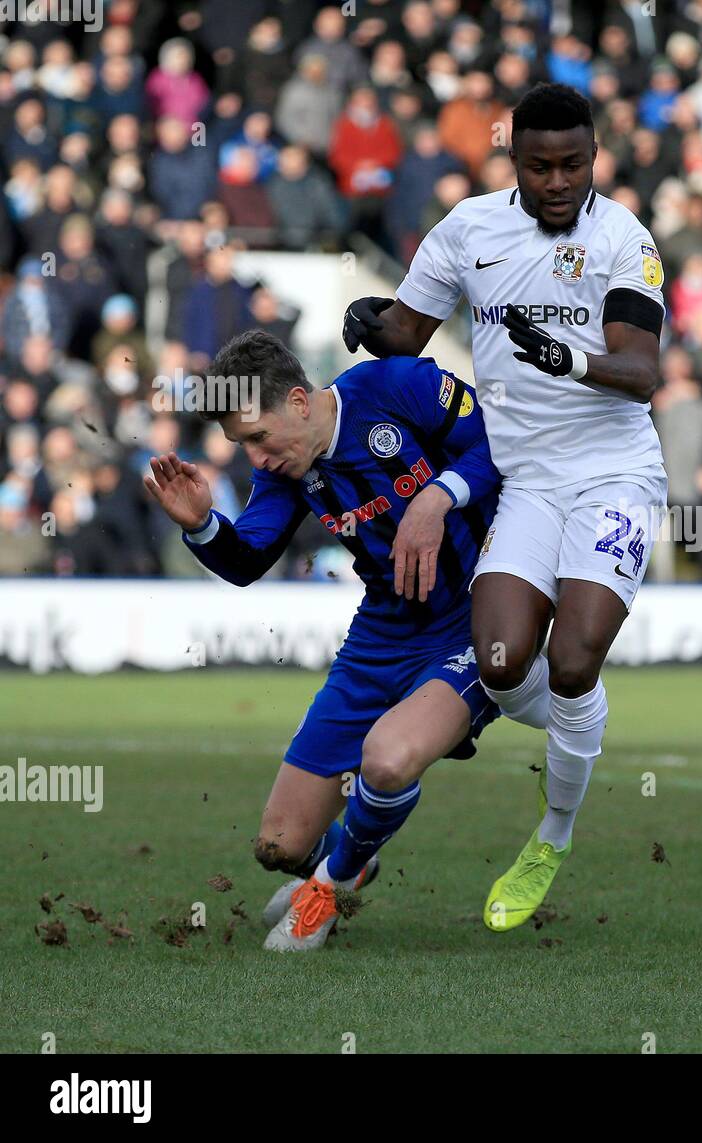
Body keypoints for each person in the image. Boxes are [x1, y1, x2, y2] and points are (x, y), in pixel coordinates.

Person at [341, 83, 667, 932]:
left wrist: (568, 356)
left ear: (595, 156)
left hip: (612, 476)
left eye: (574, 164)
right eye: (540, 165)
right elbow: (407, 331)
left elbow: (643, 372)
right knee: (496, 663)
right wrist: (366, 322)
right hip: (526, 480)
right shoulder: (468, 230)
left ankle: (553, 830)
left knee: (570, 662)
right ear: (512, 161)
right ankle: (576, 726)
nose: (559, 181)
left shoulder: (624, 239)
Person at [143, 330, 500, 950]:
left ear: (301, 403)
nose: (255, 459)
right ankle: (351, 857)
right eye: (239, 445)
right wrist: (202, 525)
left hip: (476, 622)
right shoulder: (289, 472)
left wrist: (437, 497)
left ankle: (329, 890)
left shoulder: (399, 386)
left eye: (258, 437)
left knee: (386, 762)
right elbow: (247, 559)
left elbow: (503, 443)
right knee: (279, 845)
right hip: (381, 636)